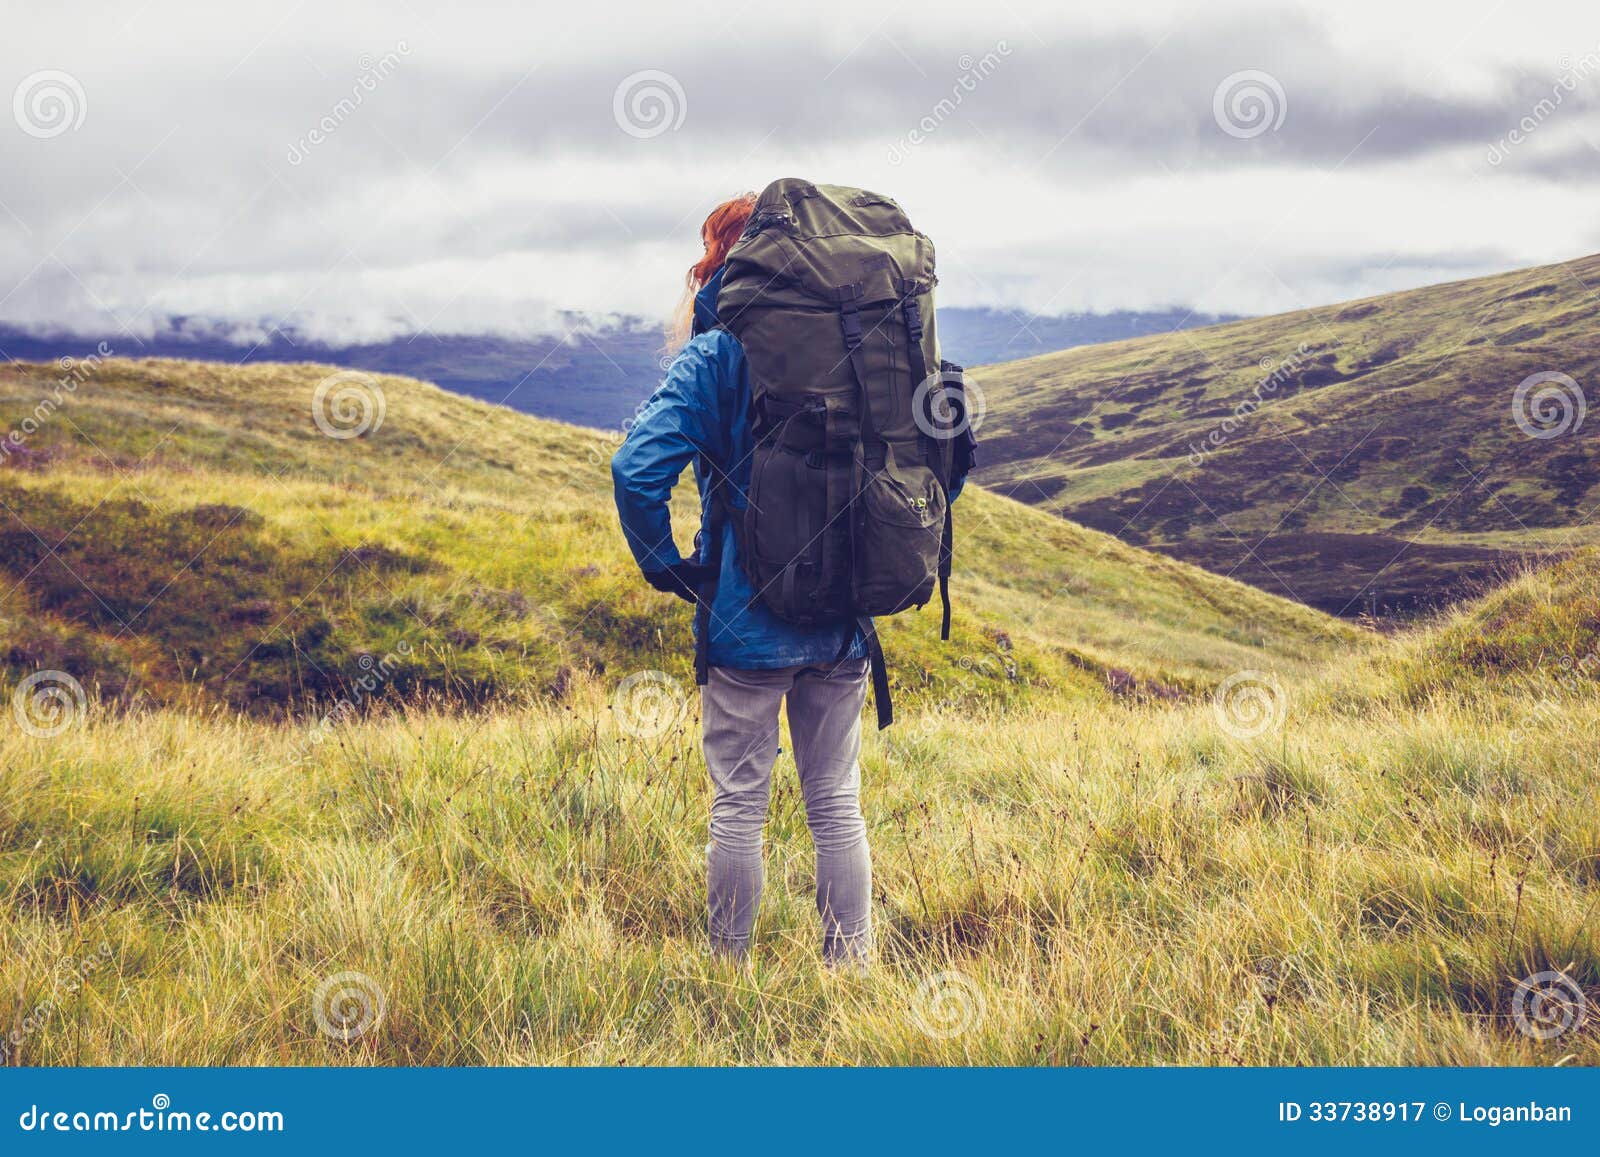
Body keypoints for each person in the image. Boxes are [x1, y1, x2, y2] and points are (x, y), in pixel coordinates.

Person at [611, 192, 965, 966]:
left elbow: (636, 469)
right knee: (835, 801)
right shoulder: (864, 336)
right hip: (844, 612)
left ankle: (727, 974)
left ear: (724, 263)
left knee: (739, 803)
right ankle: (850, 973)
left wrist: (670, 567)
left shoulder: (718, 352)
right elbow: (935, 458)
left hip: (747, 616)